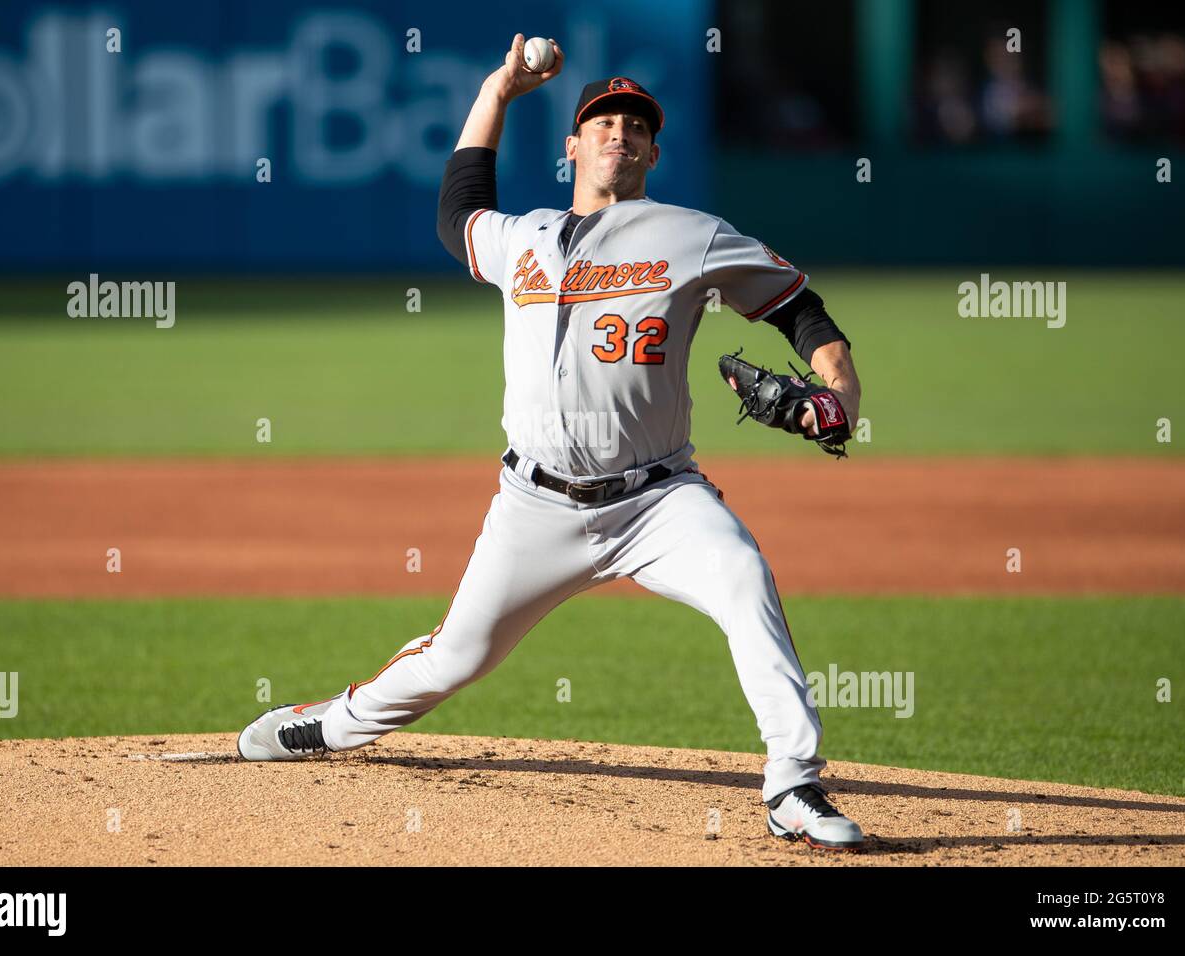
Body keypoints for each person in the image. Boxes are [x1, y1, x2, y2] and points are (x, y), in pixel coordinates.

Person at [239, 35, 866, 850]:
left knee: (744, 578)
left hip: (657, 500)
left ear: (652, 151)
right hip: (532, 506)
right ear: (572, 145)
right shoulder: (524, 237)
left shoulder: (692, 234)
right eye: (603, 121)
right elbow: (456, 211)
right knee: (452, 661)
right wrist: (499, 90)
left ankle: (793, 785)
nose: (619, 133)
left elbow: (797, 306)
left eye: (636, 126)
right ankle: (332, 723)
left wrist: (840, 388)